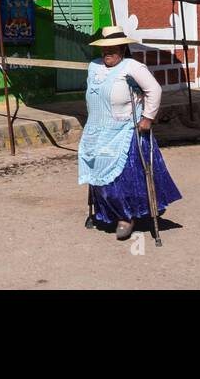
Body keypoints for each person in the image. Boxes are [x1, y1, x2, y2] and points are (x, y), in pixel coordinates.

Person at [78, 25, 182, 240]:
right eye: (105, 48)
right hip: (96, 130)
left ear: (123, 49)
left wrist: (148, 117)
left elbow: (154, 90)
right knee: (97, 173)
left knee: (120, 180)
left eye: (113, 48)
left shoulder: (132, 66)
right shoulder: (94, 66)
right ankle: (104, 211)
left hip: (123, 130)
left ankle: (125, 217)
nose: (108, 52)